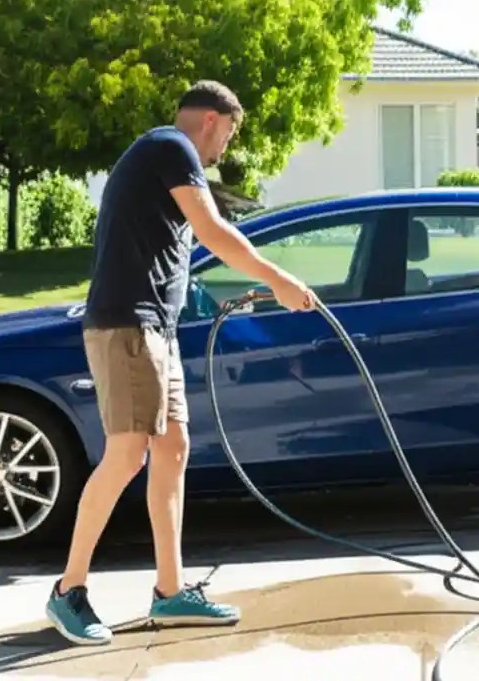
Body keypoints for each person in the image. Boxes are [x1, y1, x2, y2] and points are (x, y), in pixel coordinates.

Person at [44, 80, 317, 646]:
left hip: (153, 329)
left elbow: (162, 247)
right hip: (128, 325)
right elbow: (213, 232)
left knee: (172, 449)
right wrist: (280, 280)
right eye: (229, 134)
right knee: (127, 454)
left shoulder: (162, 158)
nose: (223, 152)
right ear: (213, 120)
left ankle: (170, 592)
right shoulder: (174, 148)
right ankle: (68, 591)